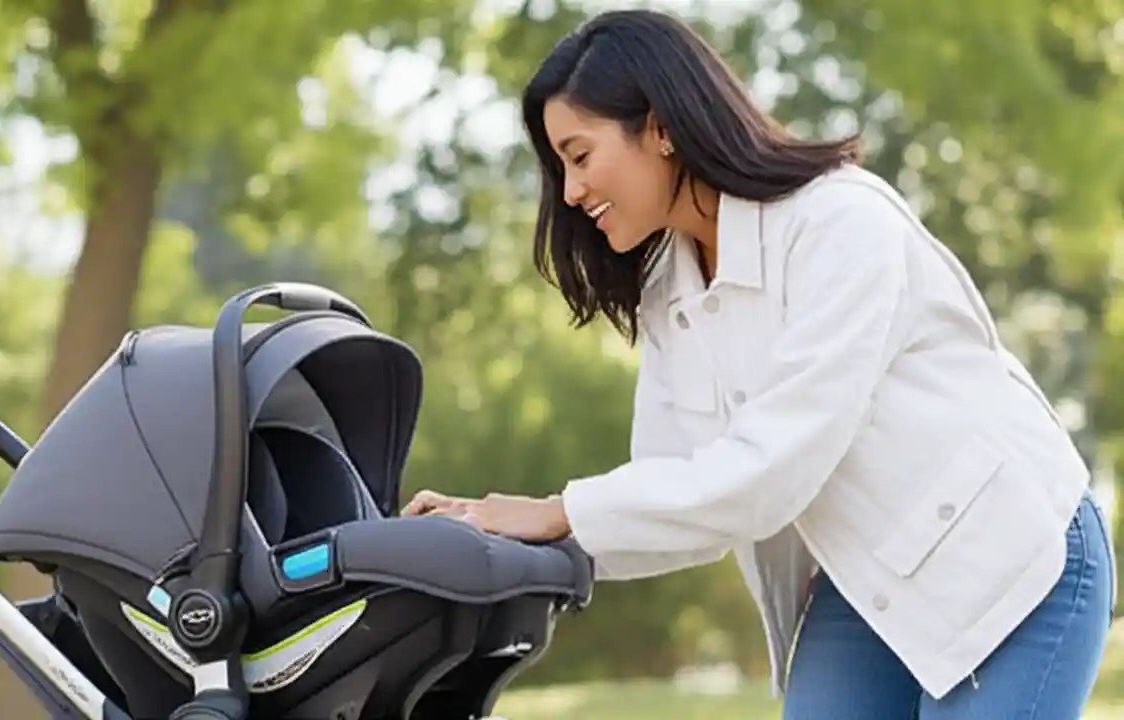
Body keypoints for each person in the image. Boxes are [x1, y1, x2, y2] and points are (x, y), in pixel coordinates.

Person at [400, 8, 1117, 719]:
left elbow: (768, 472)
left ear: (660, 127)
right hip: (864, 575)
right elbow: (673, 494)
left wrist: (554, 513)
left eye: (580, 156)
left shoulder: (840, 222)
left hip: (1009, 554)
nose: (572, 192)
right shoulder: (668, 291)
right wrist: (497, 541)